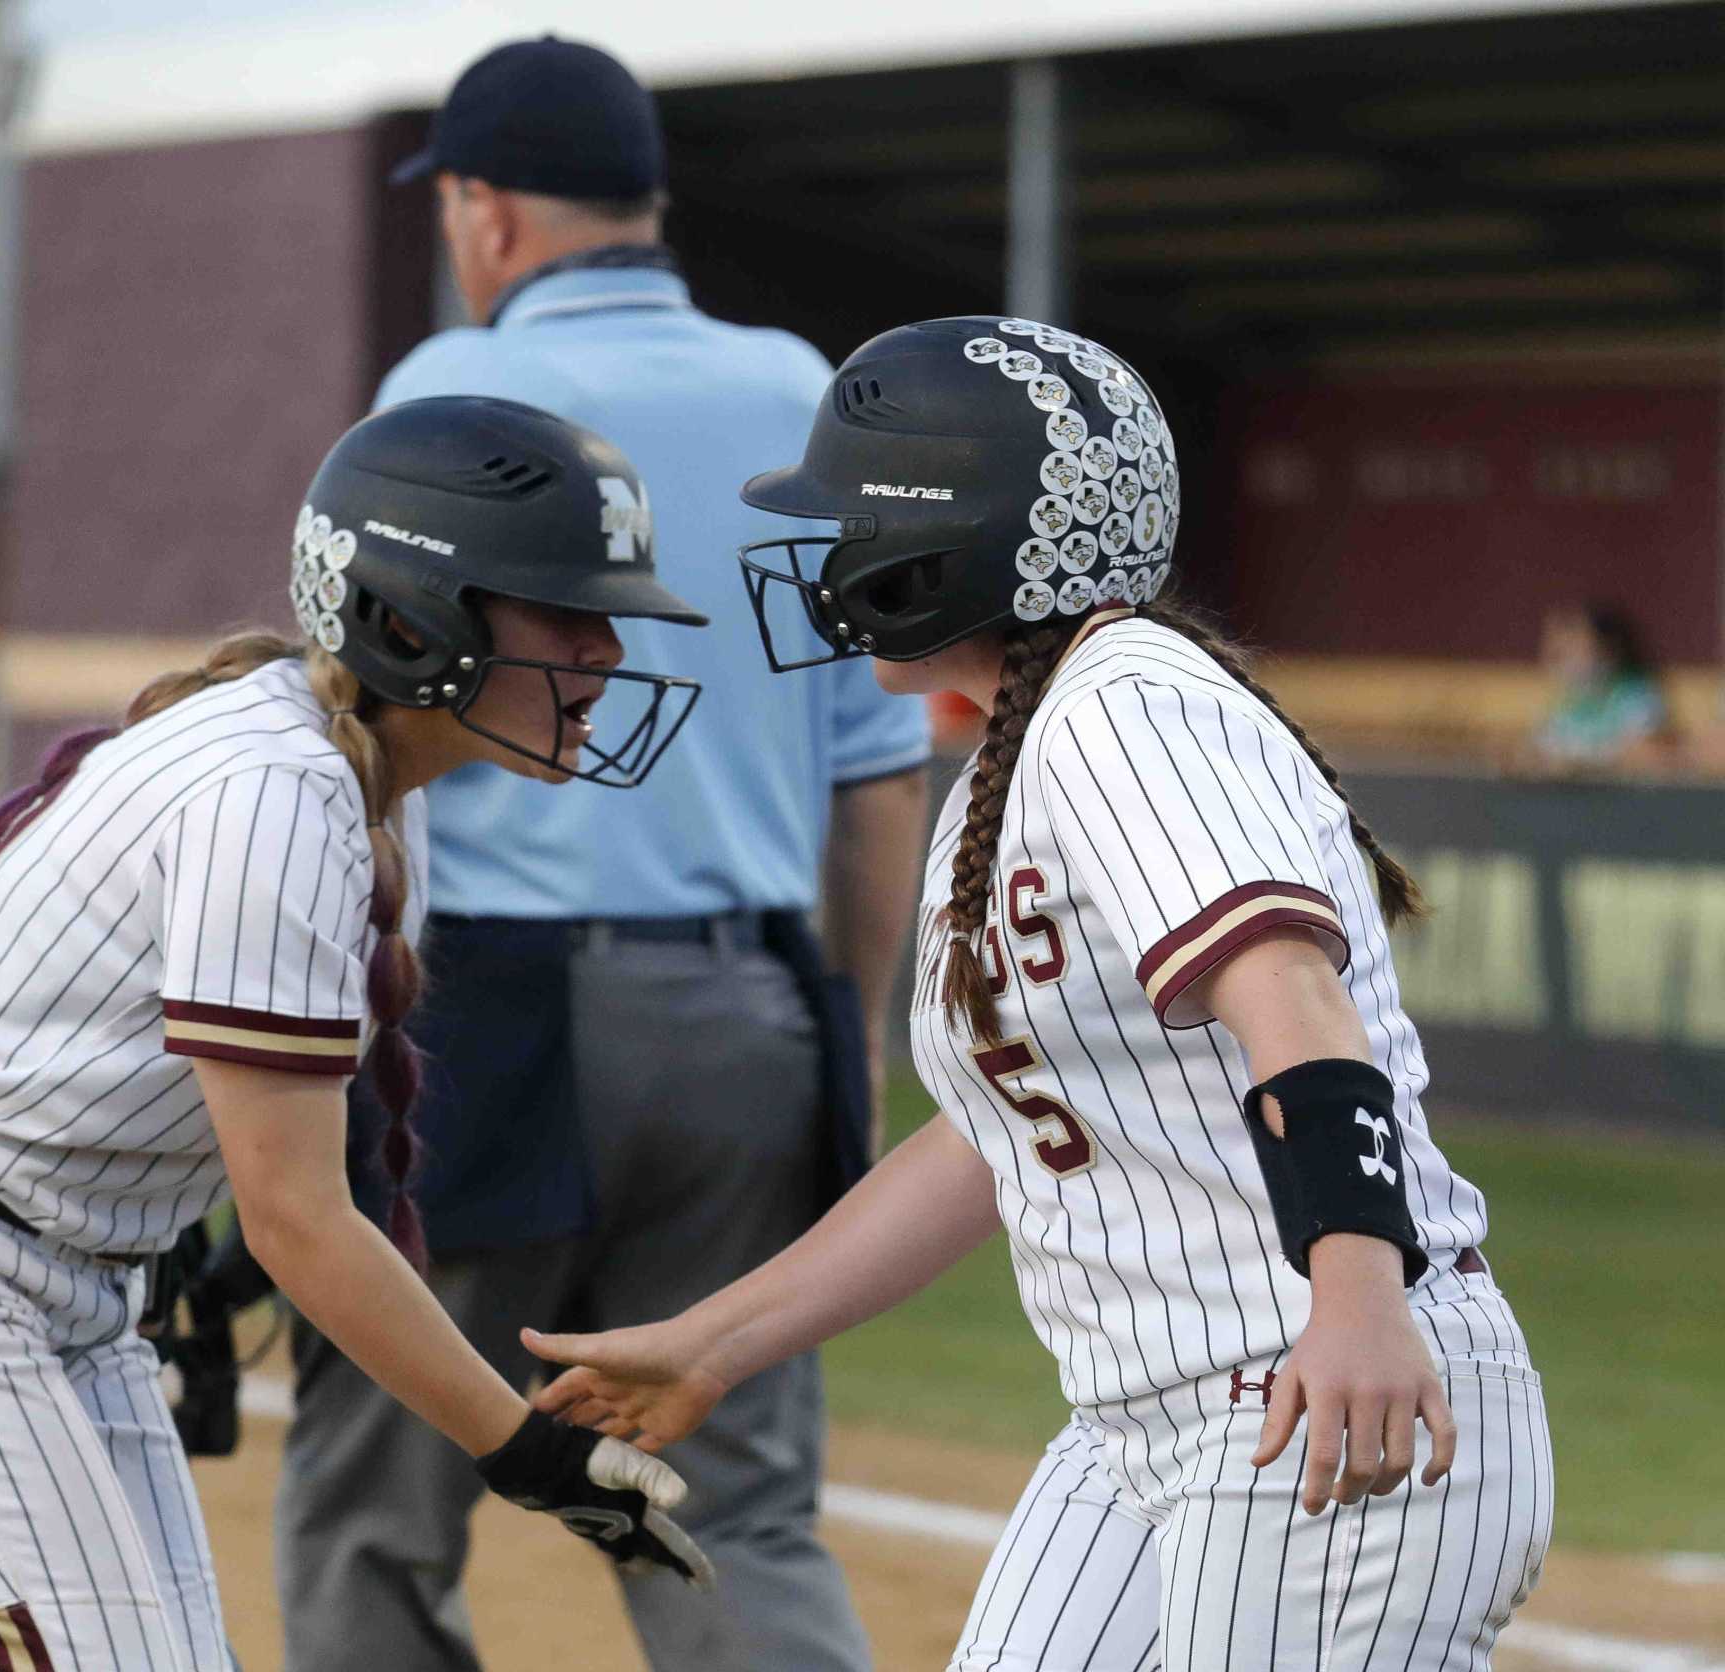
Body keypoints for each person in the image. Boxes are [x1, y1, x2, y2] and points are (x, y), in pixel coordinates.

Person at [525, 317, 1555, 1670]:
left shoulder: (1123, 701)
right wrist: (713, 1344)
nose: (825, 555)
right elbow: (994, 1142)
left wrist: (1360, 1297)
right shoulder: (1012, 763)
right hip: (1152, 1420)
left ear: (950, 539)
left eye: (851, 520)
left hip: (1322, 1379)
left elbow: (1293, 997)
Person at [0, 395, 717, 1672]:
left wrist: (185, 1247)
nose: (605, 648)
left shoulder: (349, 767)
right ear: (411, 618)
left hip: (48, 1269)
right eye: (563, 610)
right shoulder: (280, 787)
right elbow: (297, 1214)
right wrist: (527, 1451)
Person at [275, 34, 926, 1672]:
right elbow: (877, 783)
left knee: (378, 1512)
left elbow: (349, 741)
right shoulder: (797, 392)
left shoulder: (449, 390)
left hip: (479, 1017)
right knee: (739, 1511)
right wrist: (846, 1039)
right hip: (751, 1008)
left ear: (485, 211)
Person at [1527, 601, 1674, 773]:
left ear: (1607, 648)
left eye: (1574, 647)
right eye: (1557, 651)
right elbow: (1537, 751)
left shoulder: (1638, 696)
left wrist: (1578, 764)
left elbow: (1649, 755)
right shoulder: (1564, 702)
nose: (1561, 660)